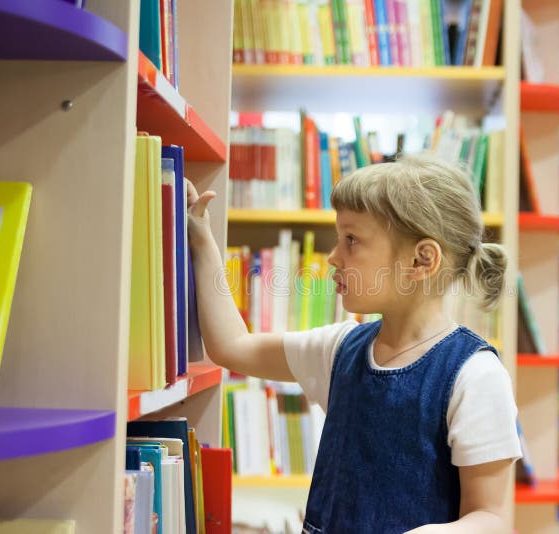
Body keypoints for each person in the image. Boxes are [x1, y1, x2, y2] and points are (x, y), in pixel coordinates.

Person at [187, 154, 522, 534]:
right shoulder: (338, 348)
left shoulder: (476, 376)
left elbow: (491, 518)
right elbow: (232, 345)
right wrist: (200, 240)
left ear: (421, 259)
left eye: (351, 240)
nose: (333, 257)